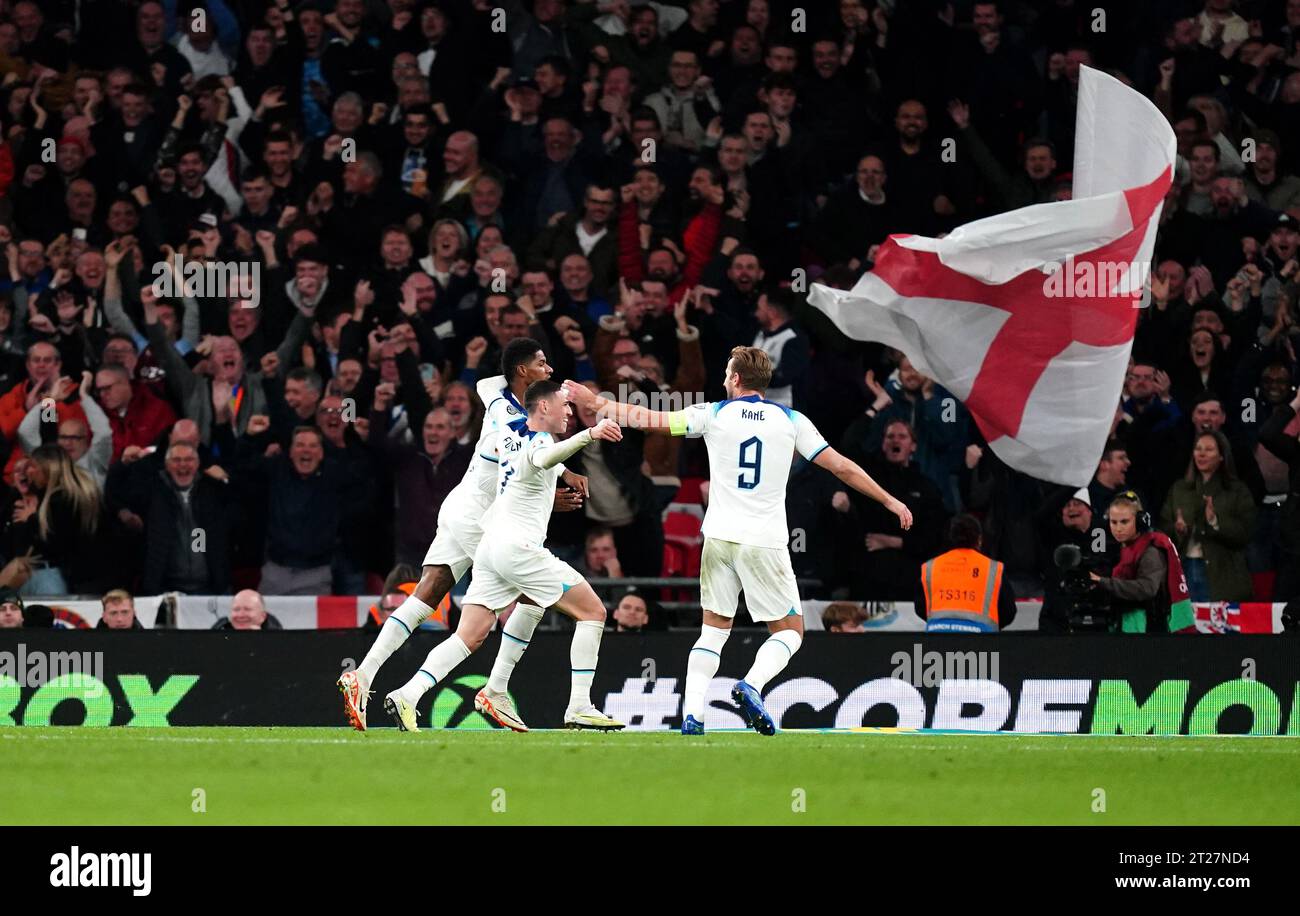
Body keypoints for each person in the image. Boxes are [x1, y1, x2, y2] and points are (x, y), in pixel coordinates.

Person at [563, 346, 913, 736]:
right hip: (764, 540)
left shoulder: (713, 414)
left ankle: (693, 716)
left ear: (735, 379)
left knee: (713, 630)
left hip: (718, 537)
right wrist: (888, 499)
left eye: (726, 373)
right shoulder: (792, 421)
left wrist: (596, 402)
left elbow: (649, 419)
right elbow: (842, 467)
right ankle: (751, 684)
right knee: (789, 632)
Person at [339, 338, 584, 732]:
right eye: (541, 363)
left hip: (459, 507)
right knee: (535, 596)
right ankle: (495, 690)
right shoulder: (514, 421)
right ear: (523, 371)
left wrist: (562, 473)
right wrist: (555, 489)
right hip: (483, 519)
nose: (549, 370)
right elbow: (519, 472)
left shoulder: (496, 396)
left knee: (429, 591)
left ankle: (363, 675)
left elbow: (487, 384)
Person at [382, 379, 626, 733]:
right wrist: (591, 435)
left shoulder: (507, 432)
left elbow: (491, 396)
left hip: (490, 547)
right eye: (565, 405)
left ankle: (411, 693)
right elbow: (542, 455)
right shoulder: (542, 440)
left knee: (472, 634)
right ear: (544, 407)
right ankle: (579, 705)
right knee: (593, 612)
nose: (570, 412)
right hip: (519, 550)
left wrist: (565, 472)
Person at [1159, 430, 1256, 601]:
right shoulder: (1180, 489)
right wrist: (1177, 529)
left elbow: (1245, 533)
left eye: (1209, 449)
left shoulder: (1237, 490)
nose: (1202, 453)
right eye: (1198, 448)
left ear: (1221, 456)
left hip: (1222, 573)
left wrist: (1215, 522)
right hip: (1185, 567)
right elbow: (1163, 528)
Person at [1091, 492, 1194, 633]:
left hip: (1147, 631)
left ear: (1140, 521)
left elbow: (1147, 588)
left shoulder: (1151, 551)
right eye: (1113, 522)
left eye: (1124, 522)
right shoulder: (1116, 549)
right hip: (1123, 626)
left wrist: (1103, 582)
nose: (1118, 528)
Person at [916, 514, 1016, 632]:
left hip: (938, 640)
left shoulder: (930, 567)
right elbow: (1008, 611)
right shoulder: (993, 569)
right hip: (981, 643)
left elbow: (920, 607)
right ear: (979, 540)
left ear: (951, 538)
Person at [211, 589, 283, 630]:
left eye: (247, 609)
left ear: (262, 617)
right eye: (236, 609)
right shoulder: (220, 628)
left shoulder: (276, 635)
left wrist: (260, 638)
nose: (240, 615)